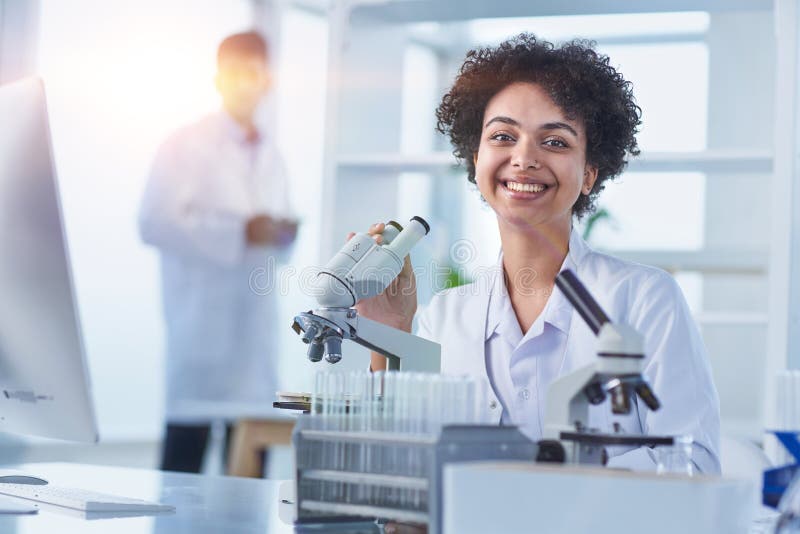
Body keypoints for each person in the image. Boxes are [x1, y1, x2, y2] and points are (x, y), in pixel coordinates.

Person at [359, 34, 721, 474]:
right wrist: (389, 333)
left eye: (555, 142)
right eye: (503, 136)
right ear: (476, 158)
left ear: (589, 174)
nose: (524, 157)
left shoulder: (644, 300)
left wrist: (549, 483)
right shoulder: (446, 317)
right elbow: (396, 467)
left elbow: (694, 464)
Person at [139, 30, 297, 473]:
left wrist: (282, 234)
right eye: (234, 73)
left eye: (254, 73)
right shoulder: (183, 144)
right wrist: (239, 231)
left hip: (253, 332)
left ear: (267, 80)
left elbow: (274, 235)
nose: (245, 83)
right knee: (183, 467)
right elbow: (153, 223)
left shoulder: (273, 154)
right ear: (217, 79)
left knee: (250, 467)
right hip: (200, 329)